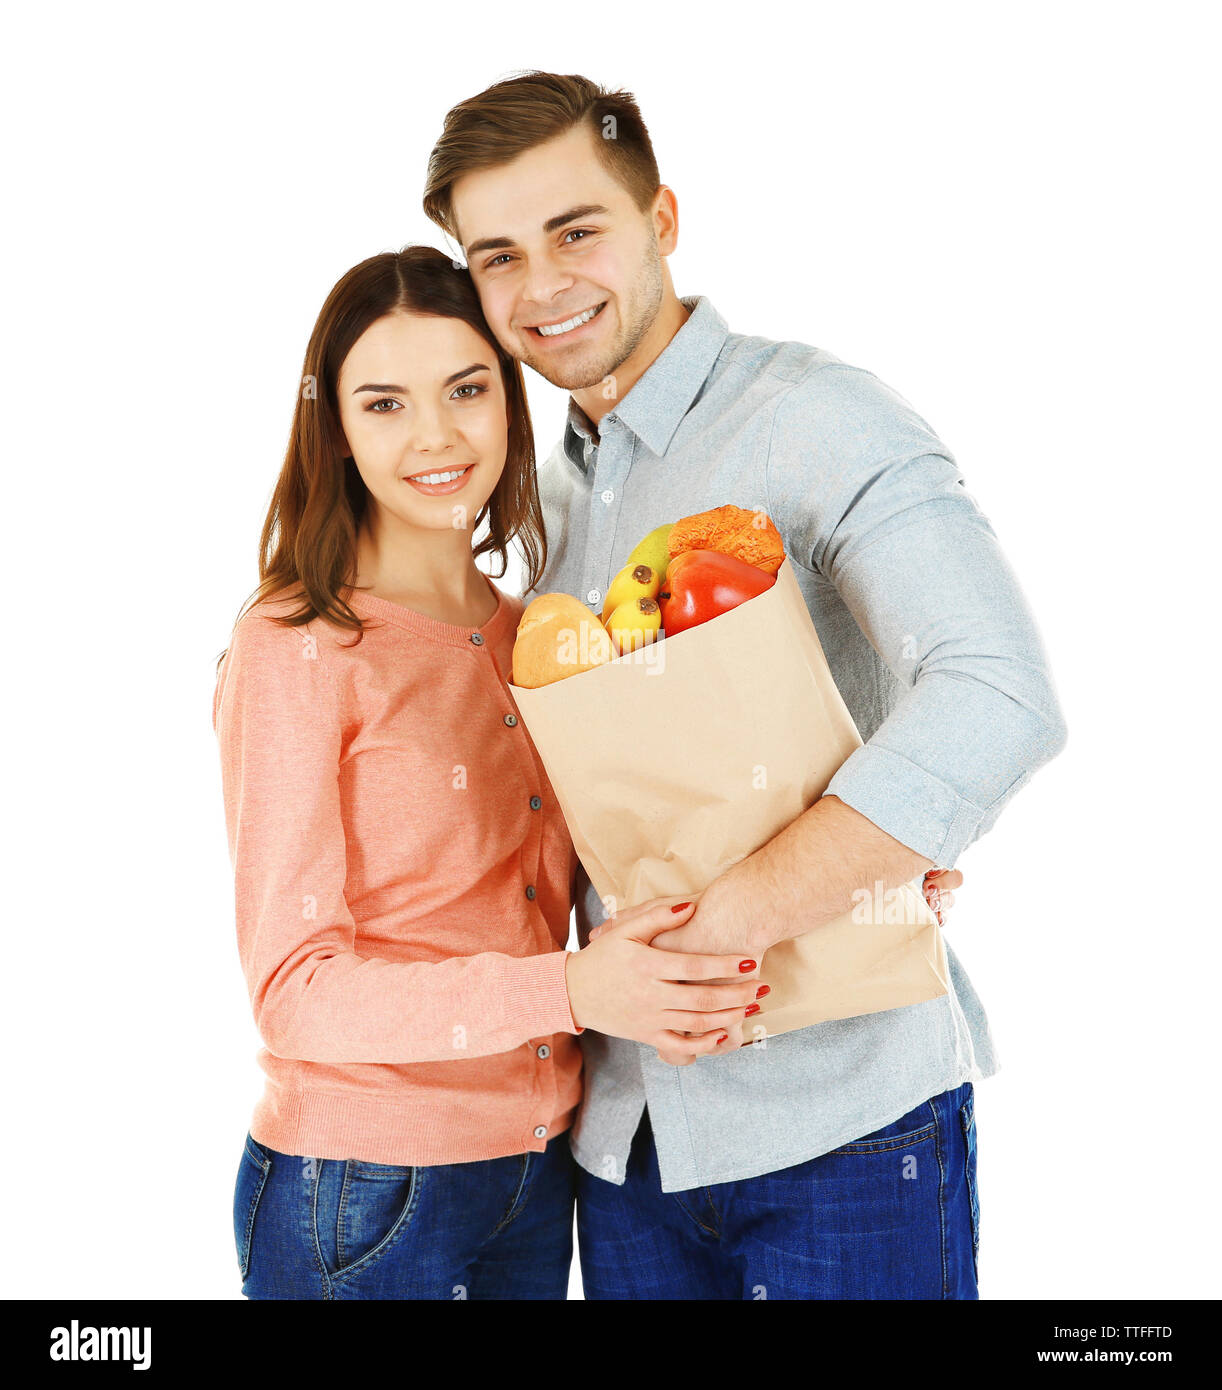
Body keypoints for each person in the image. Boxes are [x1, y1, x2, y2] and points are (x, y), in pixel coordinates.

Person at [420, 70, 1068, 1299]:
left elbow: (998, 694)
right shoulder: (532, 507)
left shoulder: (816, 418)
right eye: (497, 256)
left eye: (577, 231)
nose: (543, 286)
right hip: (623, 1151)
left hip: (849, 1130)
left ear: (661, 219)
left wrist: (749, 908)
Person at [212, 245, 763, 1300]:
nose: (435, 435)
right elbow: (294, 995)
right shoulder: (298, 645)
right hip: (362, 1189)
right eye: (383, 403)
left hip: (536, 1173)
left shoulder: (535, 639)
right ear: (333, 428)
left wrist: (877, 868)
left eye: (466, 389)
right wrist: (568, 987)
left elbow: (645, 837)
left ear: (508, 400)